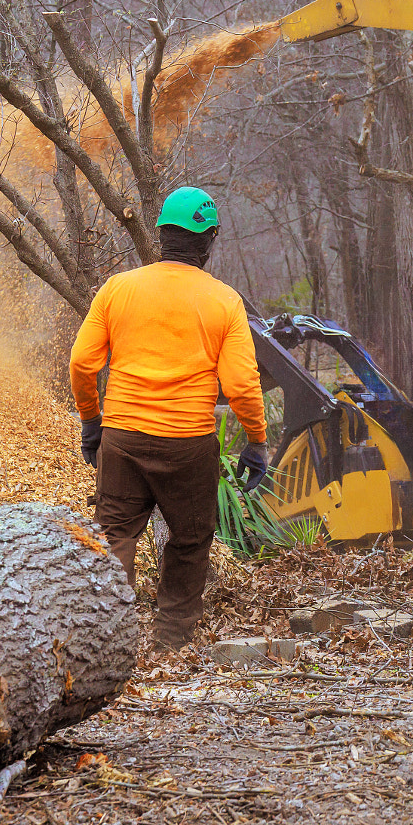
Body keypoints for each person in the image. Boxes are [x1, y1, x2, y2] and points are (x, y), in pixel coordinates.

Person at [69, 186, 270, 648]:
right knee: (190, 538)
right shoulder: (224, 301)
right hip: (188, 445)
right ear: (210, 238)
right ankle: (171, 641)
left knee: (116, 534)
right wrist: (256, 440)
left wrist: (91, 420)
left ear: (160, 234)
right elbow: (240, 385)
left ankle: (110, 642)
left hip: (122, 437)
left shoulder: (118, 288)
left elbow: (82, 363)